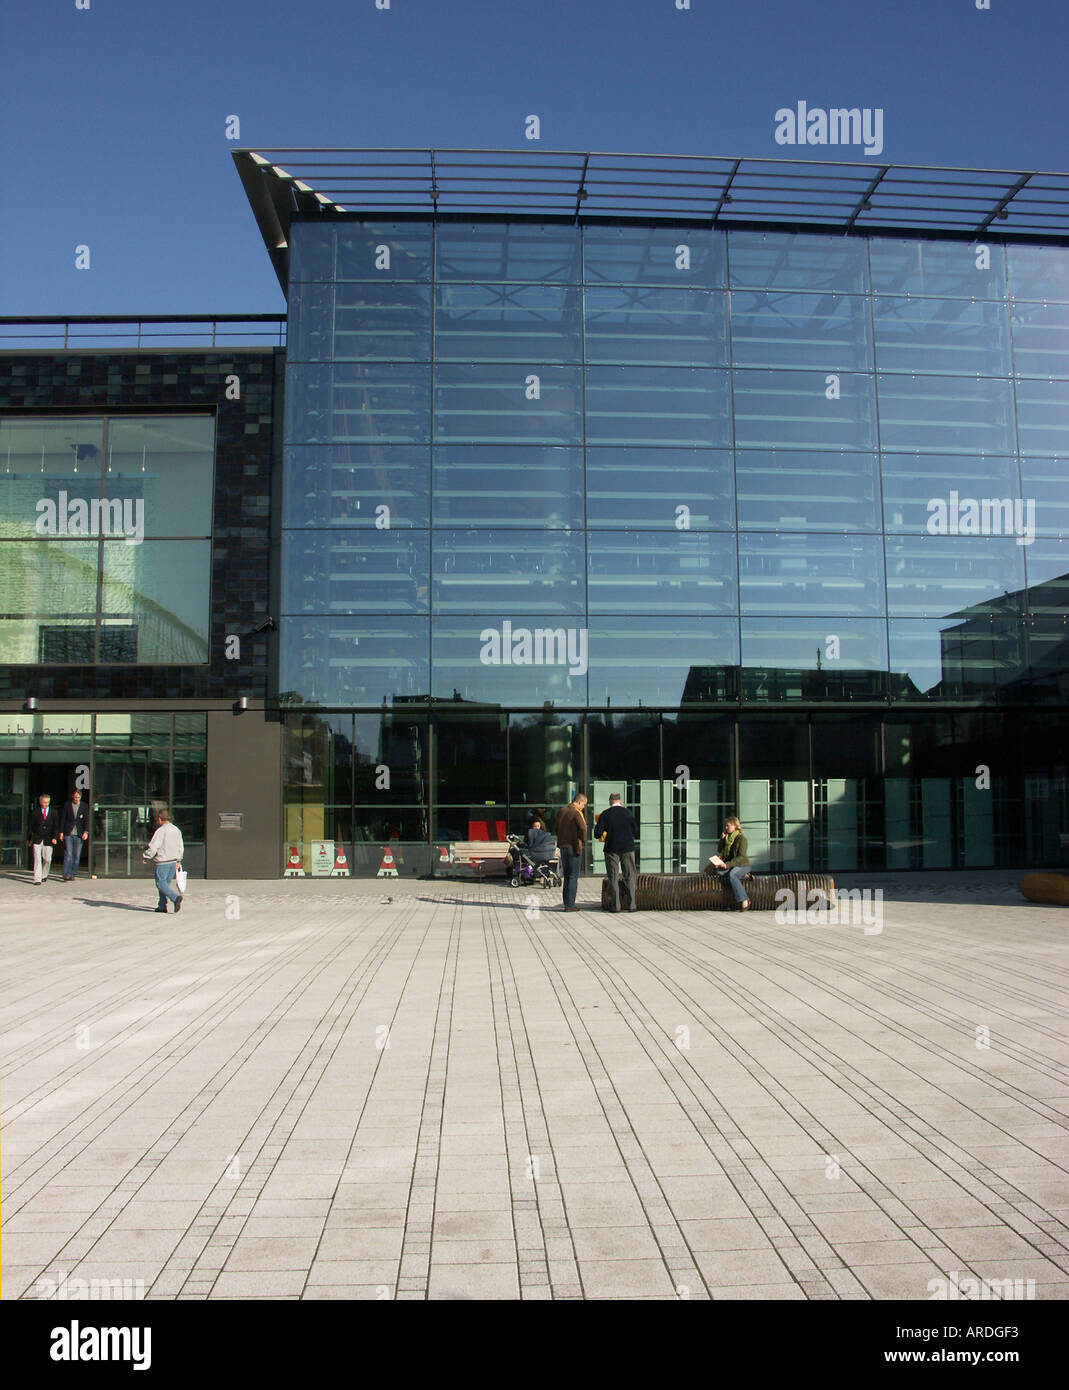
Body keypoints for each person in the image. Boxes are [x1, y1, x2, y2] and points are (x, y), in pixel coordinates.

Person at [594, 792, 639, 912]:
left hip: (611, 848)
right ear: (620, 801)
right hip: (628, 848)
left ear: (610, 801)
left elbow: (597, 833)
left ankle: (616, 906)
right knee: (630, 876)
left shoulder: (605, 814)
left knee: (613, 877)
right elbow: (636, 830)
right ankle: (632, 905)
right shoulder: (628, 813)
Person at [142, 809, 185, 913]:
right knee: (165, 884)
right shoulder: (176, 830)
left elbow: (154, 846)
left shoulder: (161, 831)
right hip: (173, 861)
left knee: (160, 884)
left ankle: (175, 898)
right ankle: (162, 906)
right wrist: (179, 860)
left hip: (163, 862)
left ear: (160, 819)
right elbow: (180, 846)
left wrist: (146, 856)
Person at [709, 815, 752, 910]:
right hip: (732, 864)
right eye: (726, 826)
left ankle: (744, 900)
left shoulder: (741, 839)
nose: (726, 827)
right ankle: (744, 875)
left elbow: (741, 857)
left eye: (728, 825)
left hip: (743, 864)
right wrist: (722, 839)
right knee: (719, 871)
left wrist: (727, 865)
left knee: (732, 875)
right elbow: (720, 850)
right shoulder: (728, 838)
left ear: (735, 826)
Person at [554, 792, 587, 911]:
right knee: (573, 876)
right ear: (578, 802)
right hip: (574, 847)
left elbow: (556, 828)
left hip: (563, 846)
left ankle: (566, 903)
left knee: (567, 876)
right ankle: (570, 905)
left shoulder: (562, 811)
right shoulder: (576, 813)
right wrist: (582, 840)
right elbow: (583, 828)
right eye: (584, 804)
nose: (583, 807)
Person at [28, 792, 60, 885]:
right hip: (37, 838)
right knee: (37, 859)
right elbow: (31, 825)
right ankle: (37, 879)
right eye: (44, 802)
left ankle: (44, 874)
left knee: (48, 859)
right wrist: (29, 838)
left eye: (47, 802)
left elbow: (56, 826)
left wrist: (55, 837)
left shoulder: (53, 812)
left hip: (48, 838)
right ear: (40, 802)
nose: (46, 804)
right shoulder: (35, 812)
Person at [60, 789, 90, 881]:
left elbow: (87, 820)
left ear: (80, 797)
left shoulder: (84, 806)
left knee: (77, 854)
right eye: (75, 797)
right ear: (72, 796)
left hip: (79, 833)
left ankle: (73, 873)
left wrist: (86, 831)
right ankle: (66, 873)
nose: (76, 799)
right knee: (68, 853)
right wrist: (61, 832)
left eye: (78, 797)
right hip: (68, 832)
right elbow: (63, 819)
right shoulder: (67, 805)